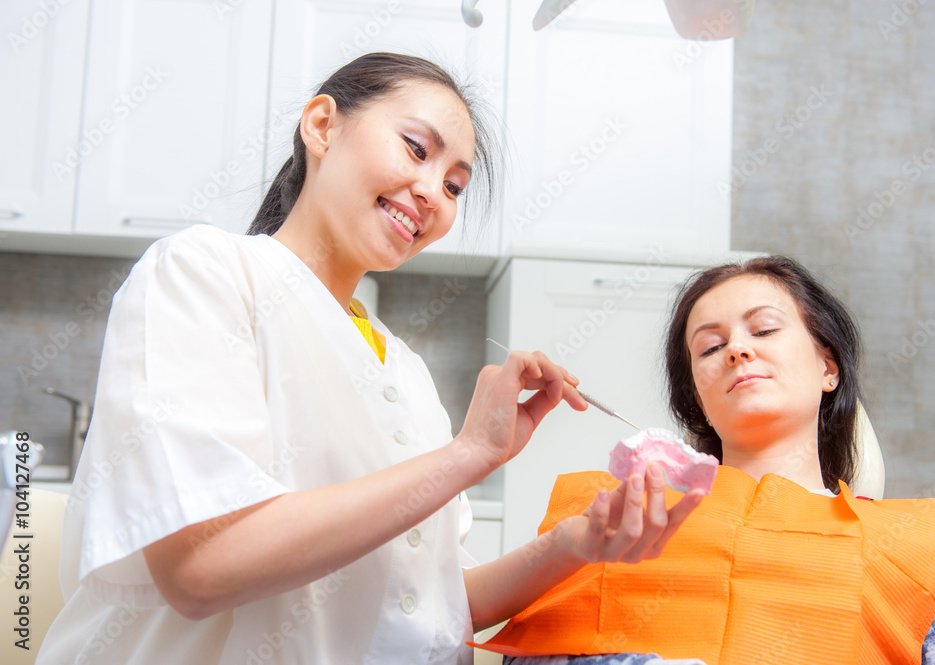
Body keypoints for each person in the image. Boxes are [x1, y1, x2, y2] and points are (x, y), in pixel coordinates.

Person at [35, 52, 705, 665]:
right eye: (415, 148)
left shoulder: (406, 371)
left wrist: (573, 544)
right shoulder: (203, 273)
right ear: (323, 125)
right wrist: (467, 455)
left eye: (454, 186)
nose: (432, 196)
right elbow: (203, 563)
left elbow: (434, 603)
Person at [479, 256, 935, 665]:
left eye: (765, 329)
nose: (736, 351)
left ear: (828, 366)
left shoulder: (925, 541)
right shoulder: (612, 518)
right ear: (698, 400)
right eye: (710, 348)